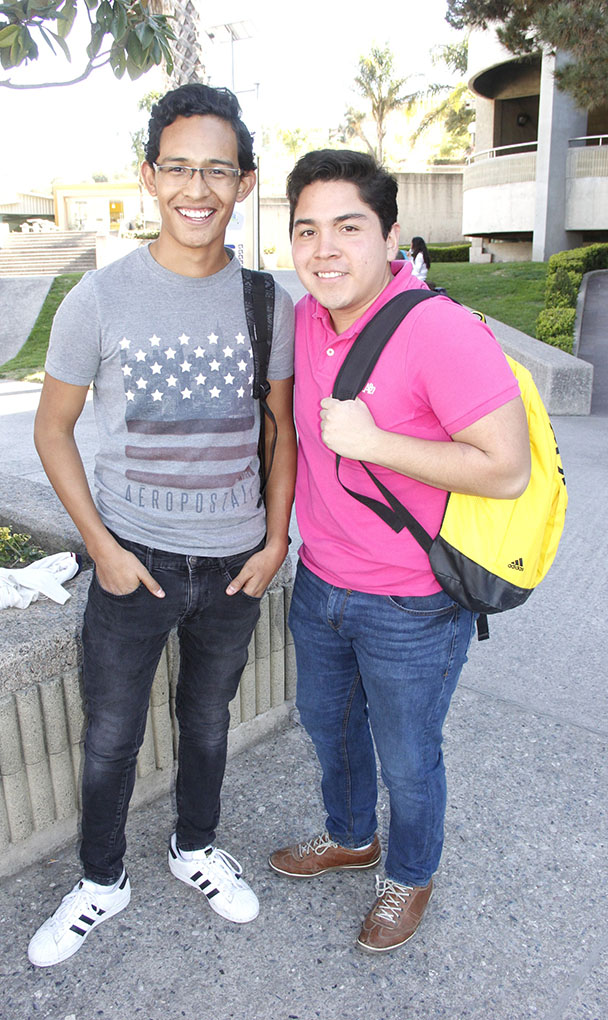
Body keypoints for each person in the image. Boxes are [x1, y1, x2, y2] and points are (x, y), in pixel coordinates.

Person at [28, 83, 296, 968]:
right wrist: (101, 548)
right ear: (149, 176)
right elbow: (52, 428)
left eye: (218, 169)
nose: (198, 186)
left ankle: (193, 850)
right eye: (179, 165)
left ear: (245, 183)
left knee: (209, 718)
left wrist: (274, 541)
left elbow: (279, 430)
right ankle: (101, 881)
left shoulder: (268, 303)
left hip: (233, 565)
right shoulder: (97, 299)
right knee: (110, 730)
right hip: (131, 558)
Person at [268, 150, 530, 953]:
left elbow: (507, 468)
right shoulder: (305, 316)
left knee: (409, 757)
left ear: (390, 236)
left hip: (413, 603)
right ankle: (351, 836)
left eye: (349, 227)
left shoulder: (440, 331)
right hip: (321, 584)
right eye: (307, 230)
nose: (325, 249)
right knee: (327, 725)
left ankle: (410, 874)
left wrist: (376, 442)